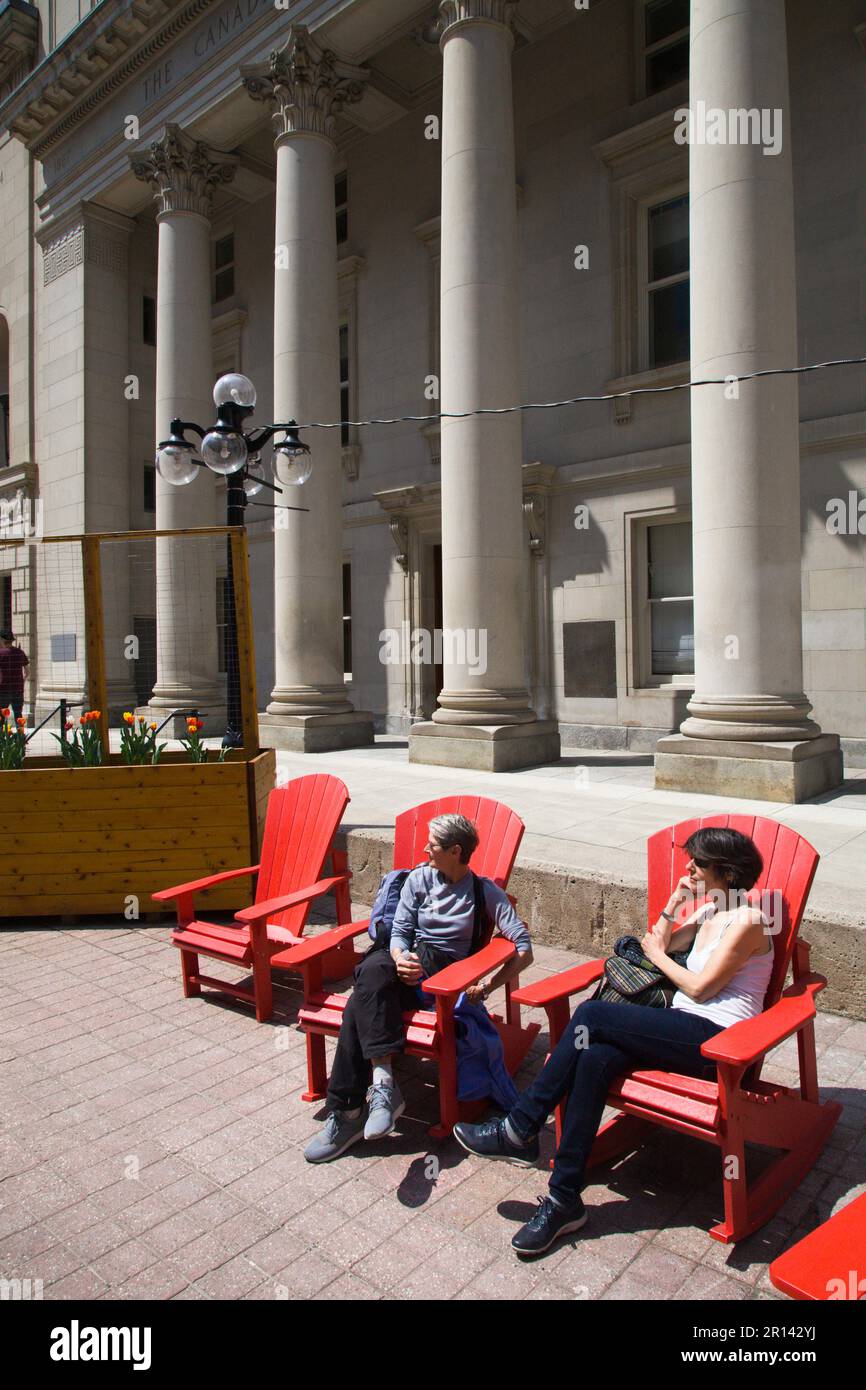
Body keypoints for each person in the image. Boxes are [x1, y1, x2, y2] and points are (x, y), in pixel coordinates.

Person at [454, 826, 774, 1256]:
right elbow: (655, 945)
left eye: (697, 862)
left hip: (718, 1044)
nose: (688, 867)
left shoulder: (750, 920)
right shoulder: (711, 910)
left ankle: (521, 1126)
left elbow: (699, 989)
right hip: (678, 1029)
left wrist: (660, 955)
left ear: (726, 870)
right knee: (593, 1053)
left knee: (592, 1014)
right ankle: (563, 1198)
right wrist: (675, 903)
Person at [304, 813, 534, 1163]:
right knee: (375, 969)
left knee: (358, 1003)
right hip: (405, 965)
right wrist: (399, 958)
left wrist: (487, 986)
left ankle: (349, 1113)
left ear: (456, 851)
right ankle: (381, 1087)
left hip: (443, 980)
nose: (425, 848)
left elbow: (523, 950)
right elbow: (399, 930)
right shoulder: (419, 879)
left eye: (434, 845)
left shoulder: (484, 891)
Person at [0, 629, 29, 725]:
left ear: (2, 640)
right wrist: (22, 681)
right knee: (18, 716)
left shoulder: (1, 653)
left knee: (1, 717)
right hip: (18, 690)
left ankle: (2, 739)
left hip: (3, 689)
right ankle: (21, 739)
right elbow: (27, 672)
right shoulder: (20, 652)